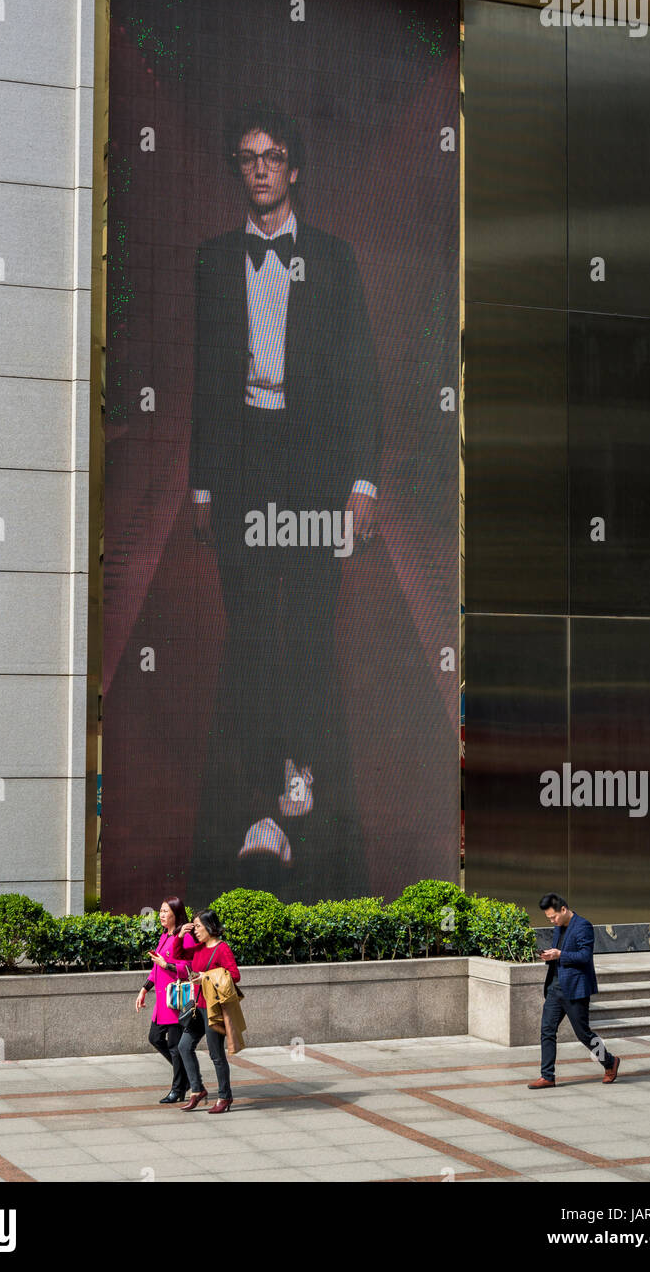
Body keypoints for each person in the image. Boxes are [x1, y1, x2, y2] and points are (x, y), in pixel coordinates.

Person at [188, 102, 380, 900]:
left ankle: (298, 778)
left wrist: (360, 484)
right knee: (248, 639)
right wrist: (201, 482)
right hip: (240, 466)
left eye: (272, 156)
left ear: (294, 168)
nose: (259, 168)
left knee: (304, 627)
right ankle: (259, 806)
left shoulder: (332, 260)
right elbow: (205, 377)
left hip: (310, 469)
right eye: (246, 157)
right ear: (239, 168)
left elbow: (360, 378)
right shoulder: (212, 259)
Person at [528, 892, 620, 1089]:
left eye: (554, 916)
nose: (552, 921)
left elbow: (585, 956)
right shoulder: (558, 927)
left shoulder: (583, 926)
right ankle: (547, 1076)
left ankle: (610, 1062)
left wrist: (560, 954)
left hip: (575, 989)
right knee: (547, 1030)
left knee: (583, 1033)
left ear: (563, 909)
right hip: (554, 987)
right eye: (549, 918)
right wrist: (550, 956)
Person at [176, 909, 241, 1113]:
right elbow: (178, 956)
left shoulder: (222, 949)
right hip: (197, 1007)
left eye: (197, 926)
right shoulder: (199, 948)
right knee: (184, 1046)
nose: (195, 931)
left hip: (214, 1008)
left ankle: (224, 1097)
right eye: (193, 926)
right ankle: (197, 1090)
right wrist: (180, 936)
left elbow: (234, 975)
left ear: (209, 927)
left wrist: (205, 976)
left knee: (216, 1054)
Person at [134, 897, 193, 1104]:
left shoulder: (184, 937)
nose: (161, 915)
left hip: (176, 1000)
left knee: (176, 1047)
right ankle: (186, 1076)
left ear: (176, 914)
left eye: (165, 911)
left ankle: (178, 1089)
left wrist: (167, 965)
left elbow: (189, 968)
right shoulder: (164, 936)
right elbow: (155, 968)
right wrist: (144, 989)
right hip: (162, 1002)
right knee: (155, 1038)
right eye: (160, 911)